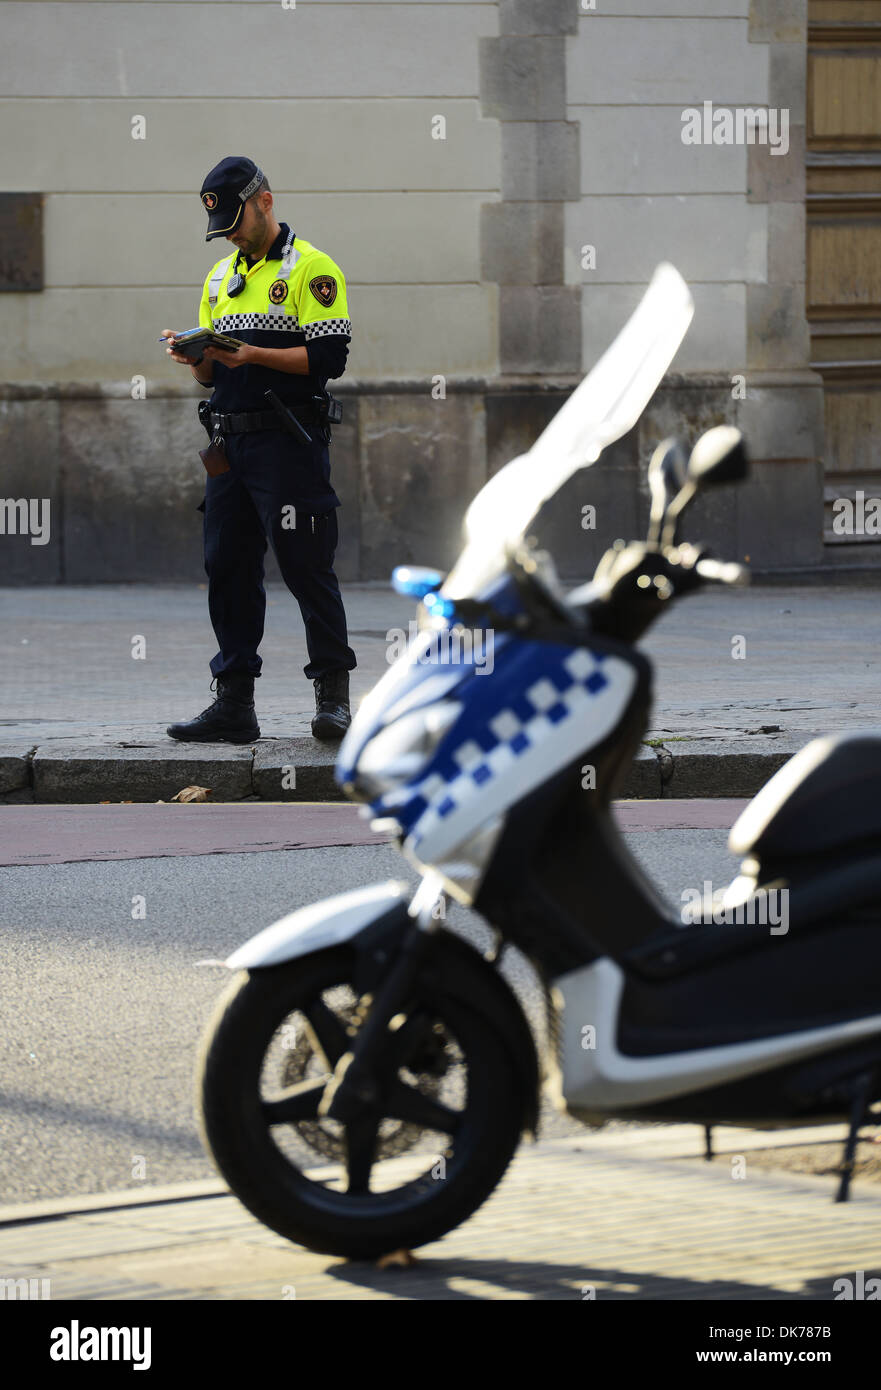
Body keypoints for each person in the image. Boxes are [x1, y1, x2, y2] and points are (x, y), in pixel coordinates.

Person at [162, 155, 356, 744]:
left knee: (306, 568)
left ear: (264, 202)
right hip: (227, 444)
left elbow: (329, 361)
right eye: (220, 229)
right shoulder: (220, 278)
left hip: (287, 444)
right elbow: (209, 379)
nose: (229, 236)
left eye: (235, 221)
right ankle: (234, 703)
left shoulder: (312, 268)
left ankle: (333, 699)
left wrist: (252, 354)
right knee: (228, 568)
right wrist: (196, 358)